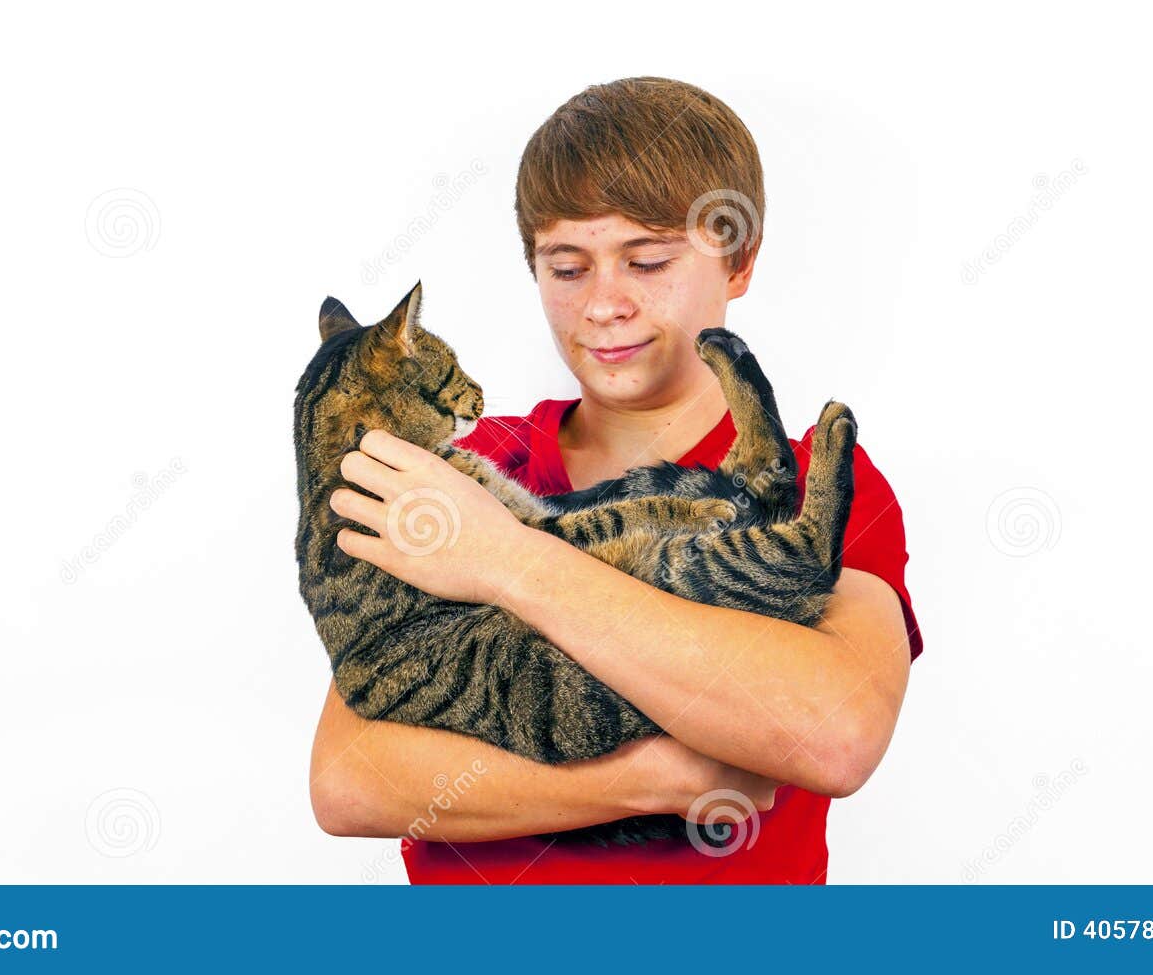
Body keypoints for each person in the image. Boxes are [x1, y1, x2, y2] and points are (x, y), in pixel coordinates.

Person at [309, 76, 923, 884]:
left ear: (738, 260)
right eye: (567, 269)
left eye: (648, 261)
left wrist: (505, 561)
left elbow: (831, 731)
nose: (604, 304)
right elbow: (349, 780)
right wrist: (653, 777)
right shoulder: (472, 464)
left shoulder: (822, 477)